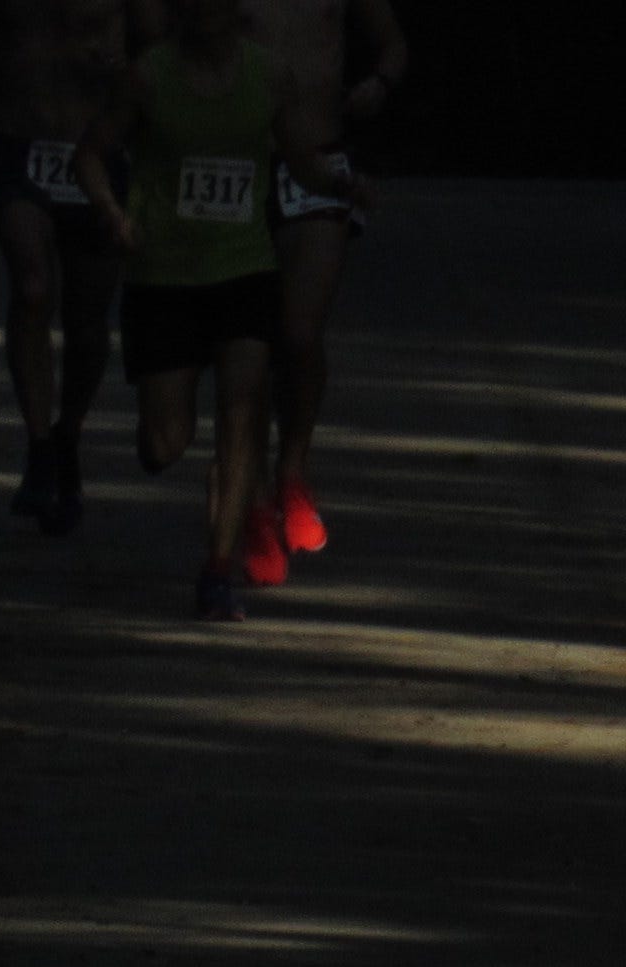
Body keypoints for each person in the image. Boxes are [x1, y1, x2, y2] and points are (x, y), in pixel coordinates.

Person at [74, 0, 362, 619]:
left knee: (241, 405)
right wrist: (110, 210)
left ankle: (217, 570)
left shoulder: (268, 75)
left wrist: (340, 185)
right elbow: (90, 153)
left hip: (243, 269)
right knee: (166, 444)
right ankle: (165, 445)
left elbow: (299, 156)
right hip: (164, 279)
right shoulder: (150, 77)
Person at [140, 0, 411, 561]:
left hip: (317, 159)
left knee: (299, 332)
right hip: (238, 167)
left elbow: (393, 44)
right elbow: (160, 36)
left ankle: (293, 472)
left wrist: (379, 84)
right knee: (250, 349)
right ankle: (253, 497)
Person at [0, 0, 134, 534]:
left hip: (95, 153)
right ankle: (39, 447)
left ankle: (68, 434)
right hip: (21, 146)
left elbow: (165, 47)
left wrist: (121, 66)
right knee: (34, 288)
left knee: (87, 321)